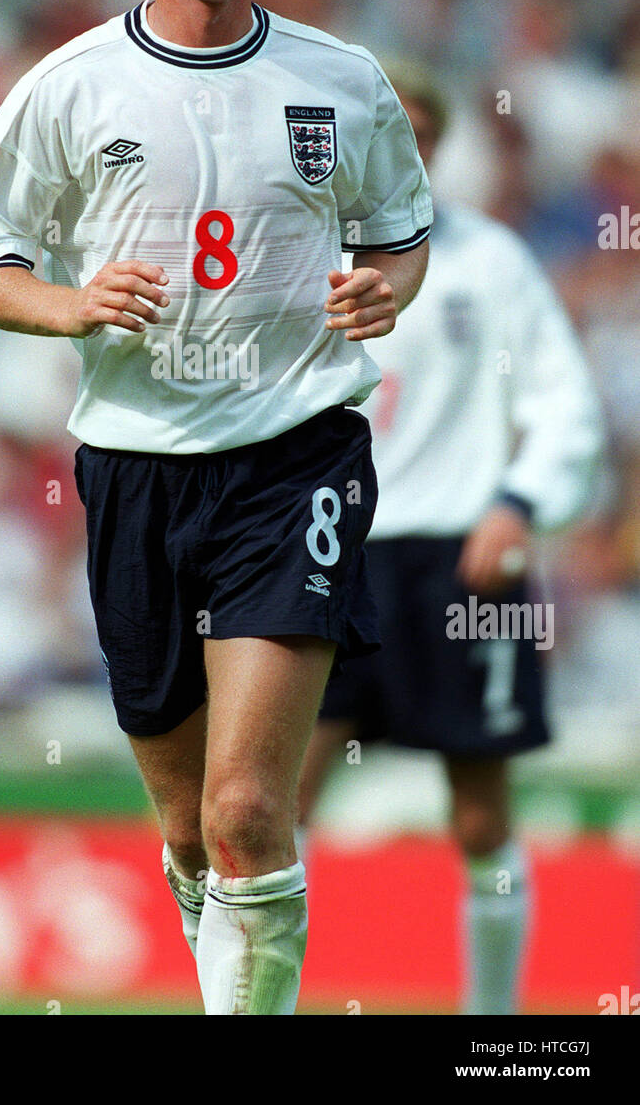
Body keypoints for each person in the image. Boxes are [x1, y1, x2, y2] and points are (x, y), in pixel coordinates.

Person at [0, 0, 432, 1015]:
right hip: (133, 467)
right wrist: (70, 303)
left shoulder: (342, 79)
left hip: (295, 456)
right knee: (185, 825)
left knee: (246, 808)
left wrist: (383, 290)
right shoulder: (70, 87)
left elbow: (399, 235)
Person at [297, 61, 606, 1015]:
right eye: (389, 125)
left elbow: (564, 402)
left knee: (479, 817)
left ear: (436, 142)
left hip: (457, 568)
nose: (407, 142)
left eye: (423, 129)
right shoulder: (301, 259)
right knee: (264, 807)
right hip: (327, 557)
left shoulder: (489, 262)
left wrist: (519, 501)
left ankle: (493, 1027)